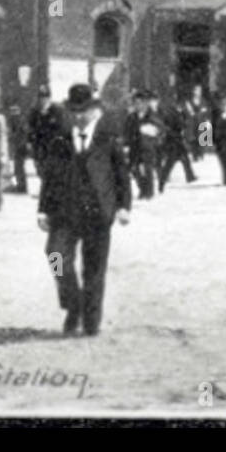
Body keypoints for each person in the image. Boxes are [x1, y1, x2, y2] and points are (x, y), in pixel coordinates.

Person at [37, 83, 131, 336]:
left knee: (94, 270)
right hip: (65, 212)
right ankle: (73, 305)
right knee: (55, 256)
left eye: (84, 111)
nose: (78, 117)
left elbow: (121, 174)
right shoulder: (60, 138)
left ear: (95, 110)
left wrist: (123, 207)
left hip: (98, 213)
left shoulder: (108, 138)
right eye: (74, 111)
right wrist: (43, 210)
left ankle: (91, 321)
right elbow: (50, 176)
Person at [123, 88, 164, 200]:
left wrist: (153, 132)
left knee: (148, 169)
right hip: (134, 147)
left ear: (145, 103)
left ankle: (149, 192)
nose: (138, 105)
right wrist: (125, 144)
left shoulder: (152, 115)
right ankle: (143, 188)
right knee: (134, 169)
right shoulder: (131, 117)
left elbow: (161, 129)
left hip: (148, 146)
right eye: (136, 103)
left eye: (140, 103)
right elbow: (126, 131)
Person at [158, 92, 197, 191]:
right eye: (181, 104)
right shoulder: (171, 113)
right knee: (170, 162)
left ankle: (190, 176)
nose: (182, 106)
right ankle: (162, 180)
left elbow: (185, 123)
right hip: (173, 142)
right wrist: (179, 130)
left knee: (185, 159)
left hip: (179, 141)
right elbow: (169, 127)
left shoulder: (181, 112)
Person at [28, 84, 65, 182]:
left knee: (54, 170)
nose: (43, 100)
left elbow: (62, 128)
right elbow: (31, 128)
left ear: (49, 98)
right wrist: (30, 142)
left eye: (45, 97)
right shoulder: (35, 112)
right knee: (41, 169)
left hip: (54, 146)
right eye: (41, 97)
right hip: (40, 146)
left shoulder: (57, 110)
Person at [5, 103, 29, 193]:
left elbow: (25, 133)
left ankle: (22, 187)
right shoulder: (14, 121)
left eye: (14, 111)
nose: (13, 113)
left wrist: (21, 142)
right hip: (18, 146)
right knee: (17, 167)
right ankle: (20, 185)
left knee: (19, 167)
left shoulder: (21, 120)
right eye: (12, 111)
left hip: (21, 147)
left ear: (18, 111)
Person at [186, 85, 211, 163]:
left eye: (200, 91)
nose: (198, 92)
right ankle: (195, 155)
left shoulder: (204, 101)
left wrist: (207, 120)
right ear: (194, 91)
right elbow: (188, 112)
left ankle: (201, 154)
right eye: (197, 90)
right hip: (192, 123)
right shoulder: (189, 102)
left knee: (202, 139)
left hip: (201, 122)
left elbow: (207, 112)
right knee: (193, 140)